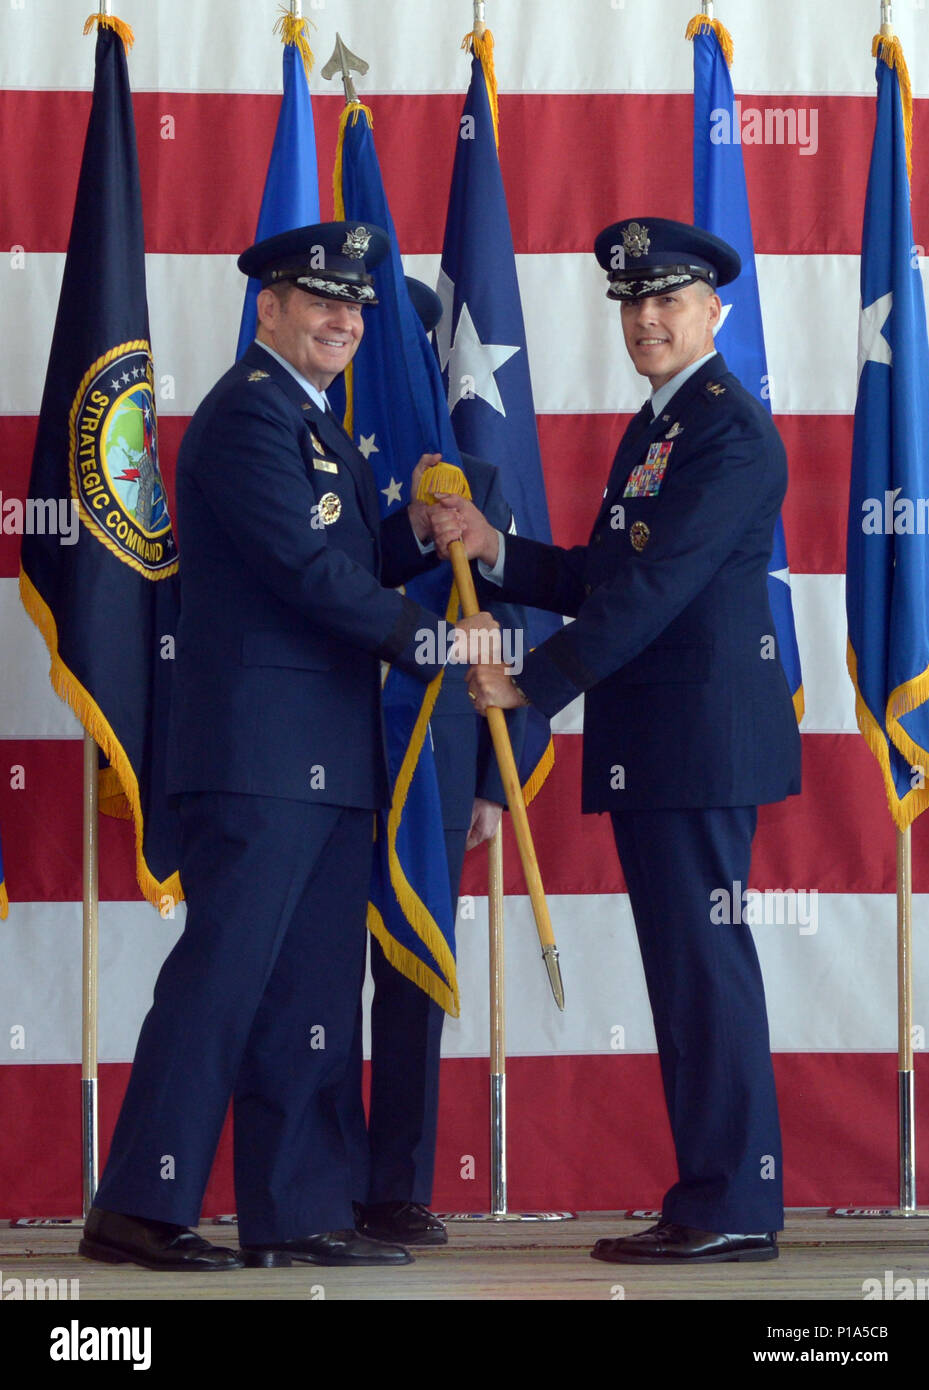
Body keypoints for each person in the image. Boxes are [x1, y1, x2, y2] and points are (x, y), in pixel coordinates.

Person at [79, 222, 487, 1272]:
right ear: (268, 306)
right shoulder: (245, 417)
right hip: (259, 758)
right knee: (223, 978)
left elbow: (344, 553)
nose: (345, 321)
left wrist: (424, 529)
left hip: (322, 756)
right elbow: (306, 573)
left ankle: (296, 1210)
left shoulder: (314, 422)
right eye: (323, 302)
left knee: (307, 995)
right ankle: (138, 1203)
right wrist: (428, 638)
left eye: (356, 308)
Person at [429, 218, 802, 1265]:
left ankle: (730, 1201)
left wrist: (531, 685)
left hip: (698, 741)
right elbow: (606, 568)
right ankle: (714, 1194)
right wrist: (495, 549)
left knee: (701, 969)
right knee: (686, 970)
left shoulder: (725, 429)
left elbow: (652, 589)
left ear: (713, 312)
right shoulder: (662, 427)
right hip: (661, 739)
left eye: (665, 301)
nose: (644, 319)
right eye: (631, 304)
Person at [349, 279, 526, 1248]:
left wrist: (491, 782)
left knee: (412, 976)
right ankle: (321, 1178)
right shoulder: (324, 463)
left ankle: (396, 1185)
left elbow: (515, 631)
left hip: (436, 762)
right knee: (324, 973)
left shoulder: (481, 485)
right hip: (334, 749)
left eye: (410, 347)